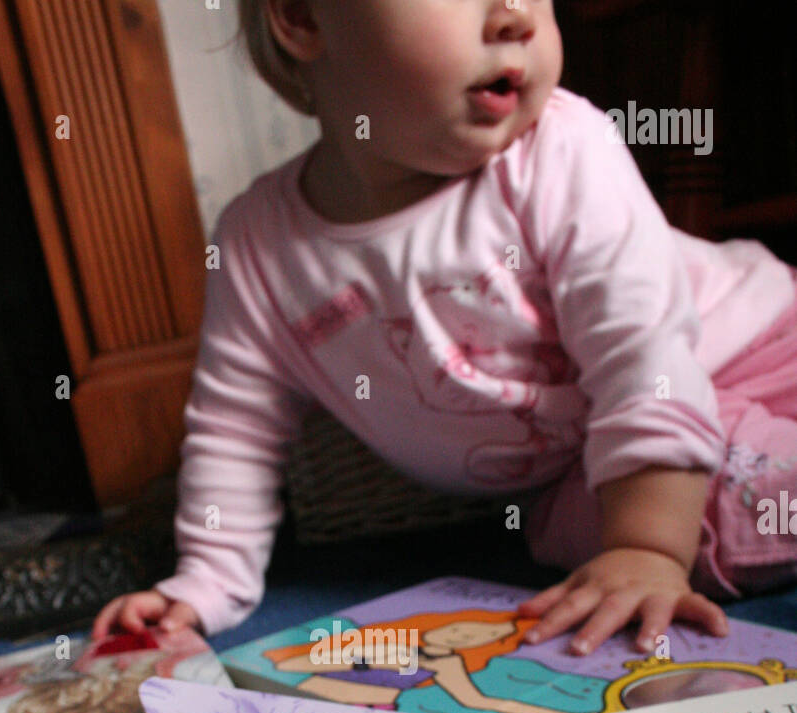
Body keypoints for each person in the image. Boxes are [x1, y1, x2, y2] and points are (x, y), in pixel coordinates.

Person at [93, 0, 797, 658]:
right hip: (582, 469)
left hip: (750, 349)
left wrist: (647, 547)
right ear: (303, 17)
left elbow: (644, 358)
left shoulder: (561, 146)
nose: (514, 15)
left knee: (693, 527)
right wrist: (204, 582)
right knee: (604, 552)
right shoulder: (256, 246)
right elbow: (233, 428)